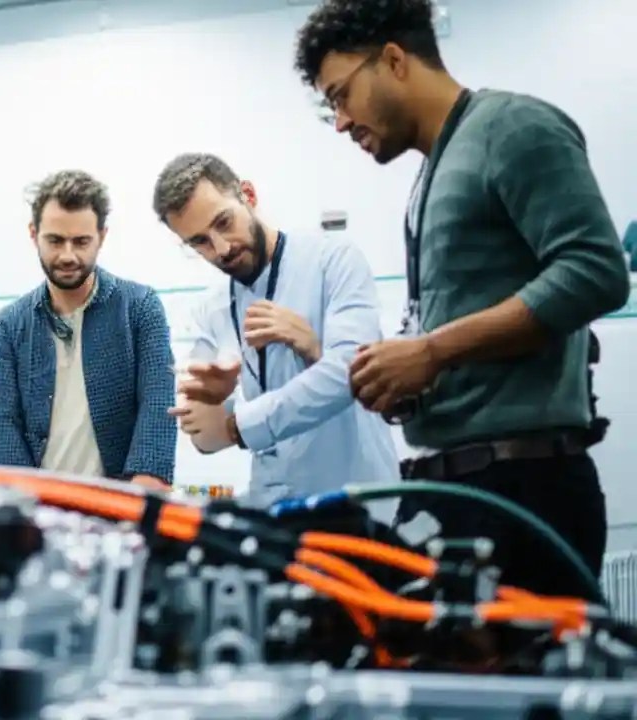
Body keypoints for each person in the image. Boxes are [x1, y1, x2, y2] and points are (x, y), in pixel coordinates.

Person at [293, 0, 629, 594]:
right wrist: (409, 380)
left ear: (393, 60)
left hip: (524, 490)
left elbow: (595, 271)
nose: (340, 121)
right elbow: (465, 328)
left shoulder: (513, 128)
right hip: (461, 492)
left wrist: (432, 354)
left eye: (340, 95)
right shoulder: (432, 172)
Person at [156, 153, 399, 502]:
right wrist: (216, 400)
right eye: (199, 242)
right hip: (273, 507)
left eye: (224, 222)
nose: (221, 249)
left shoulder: (333, 261)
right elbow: (205, 439)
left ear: (248, 195)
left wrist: (315, 352)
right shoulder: (213, 309)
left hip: (358, 500)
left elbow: (353, 373)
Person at [0, 171, 175, 489]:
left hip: (121, 505)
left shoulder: (141, 307)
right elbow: (4, 427)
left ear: (102, 236)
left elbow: (157, 407)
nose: (68, 255)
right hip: (40, 511)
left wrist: (143, 502)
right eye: (55, 241)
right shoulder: (11, 324)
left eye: (81, 241)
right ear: (34, 234)